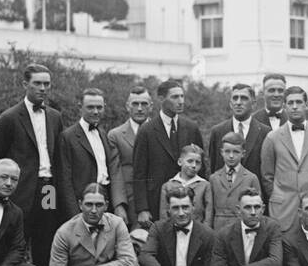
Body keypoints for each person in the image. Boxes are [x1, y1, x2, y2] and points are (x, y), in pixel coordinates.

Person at [0, 63, 63, 266]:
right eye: (37, 83)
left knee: (46, 242)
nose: (43, 88)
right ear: (25, 84)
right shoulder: (9, 118)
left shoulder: (55, 117)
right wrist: (4, 190)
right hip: (22, 191)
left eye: (46, 83)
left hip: (48, 190)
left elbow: (59, 158)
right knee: (14, 245)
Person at [133, 78, 203, 226]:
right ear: (161, 99)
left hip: (187, 202)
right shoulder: (146, 130)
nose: (181, 101)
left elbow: (201, 166)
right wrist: (142, 208)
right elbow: (139, 172)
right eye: (175, 97)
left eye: (182, 96)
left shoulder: (191, 127)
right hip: (157, 202)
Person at [260, 84, 308, 231]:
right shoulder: (272, 138)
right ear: (284, 106)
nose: (295, 106)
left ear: (307, 105)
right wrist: (277, 195)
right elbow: (267, 175)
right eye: (290, 103)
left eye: (299, 102)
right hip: (283, 208)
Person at [60, 88, 127, 220]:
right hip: (83, 206)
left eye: (99, 107)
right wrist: (75, 215)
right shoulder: (68, 137)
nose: (96, 112)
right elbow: (64, 182)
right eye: (90, 107)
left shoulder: (103, 134)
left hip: (105, 202)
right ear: (80, 107)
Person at [207, 82, 269, 189]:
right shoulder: (217, 131)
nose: (238, 102)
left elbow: (267, 171)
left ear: (253, 104)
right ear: (230, 103)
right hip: (224, 198)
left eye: (244, 98)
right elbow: (213, 167)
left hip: (253, 199)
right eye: (235, 98)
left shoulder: (265, 132)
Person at [108, 85, 150, 228]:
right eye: (135, 104)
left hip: (157, 199)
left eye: (144, 104)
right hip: (130, 201)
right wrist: (119, 205)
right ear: (127, 106)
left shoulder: (160, 132)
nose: (139, 108)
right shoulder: (116, 135)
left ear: (151, 106)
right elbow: (115, 172)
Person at [207, 132, 263, 230]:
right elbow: (209, 209)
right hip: (219, 228)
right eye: (227, 151)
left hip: (242, 227)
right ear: (221, 152)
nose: (231, 156)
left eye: (236, 152)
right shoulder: (214, 178)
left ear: (243, 154)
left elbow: (257, 208)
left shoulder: (251, 178)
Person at [158, 144, 210, 224]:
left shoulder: (205, 186)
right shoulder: (168, 186)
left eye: (198, 162)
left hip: (198, 233)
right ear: (180, 162)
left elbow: (208, 216)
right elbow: (164, 216)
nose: (194, 165)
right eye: (190, 161)